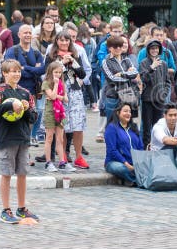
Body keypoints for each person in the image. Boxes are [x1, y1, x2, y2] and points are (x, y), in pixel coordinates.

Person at [0, 59, 39, 223]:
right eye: (12, 71)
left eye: (18, 71)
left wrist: (26, 109)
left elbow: (34, 116)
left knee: (22, 173)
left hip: (23, 137)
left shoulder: (25, 92)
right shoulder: (0, 92)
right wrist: (10, 106)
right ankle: (6, 209)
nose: (16, 74)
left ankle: (22, 208)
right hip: (7, 138)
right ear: (4, 73)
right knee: (6, 173)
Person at [45, 31, 90, 170]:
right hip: (59, 93)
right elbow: (49, 75)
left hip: (75, 92)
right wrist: (62, 64)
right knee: (62, 126)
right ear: (56, 41)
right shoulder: (51, 56)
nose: (64, 43)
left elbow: (82, 74)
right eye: (61, 40)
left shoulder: (75, 55)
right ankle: (62, 156)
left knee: (78, 126)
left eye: (67, 40)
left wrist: (74, 62)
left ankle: (78, 157)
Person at [101, 35, 140, 127]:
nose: (118, 48)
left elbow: (135, 73)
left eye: (120, 46)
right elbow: (111, 79)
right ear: (109, 48)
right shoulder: (105, 61)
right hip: (112, 96)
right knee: (111, 124)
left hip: (127, 94)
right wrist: (128, 75)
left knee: (127, 123)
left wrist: (122, 74)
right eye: (115, 46)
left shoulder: (127, 60)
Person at [139, 40, 170, 148]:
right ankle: (146, 148)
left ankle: (158, 148)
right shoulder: (143, 63)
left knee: (159, 126)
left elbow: (167, 81)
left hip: (159, 100)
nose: (154, 50)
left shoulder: (164, 64)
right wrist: (151, 68)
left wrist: (164, 93)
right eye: (152, 48)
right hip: (147, 99)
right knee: (147, 127)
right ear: (148, 50)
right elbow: (142, 79)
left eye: (156, 48)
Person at [104, 103, 143, 184]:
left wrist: (140, 162)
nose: (128, 113)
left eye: (129, 111)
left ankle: (139, 178)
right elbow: (112, 150)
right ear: (118, 113)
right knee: (121, 169)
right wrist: (126, 164)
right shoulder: (112, 127)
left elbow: (140, 147)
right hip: (115, 162)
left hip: (134, 162)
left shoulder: (134, 127)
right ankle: (139, 181)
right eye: (125, 111)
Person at [41, 61, 69, 172]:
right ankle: (48, 162)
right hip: (50, 113)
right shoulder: (46, 83)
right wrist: (56, 85)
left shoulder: (63, 83)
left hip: (61, 113)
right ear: (50, 72)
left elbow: (66, 99)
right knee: (49, 138)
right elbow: (52, 96)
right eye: (55, 72)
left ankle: (62, 161)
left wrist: (57, 96)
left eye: (60, 72)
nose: (58, 74)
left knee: (60, 139)